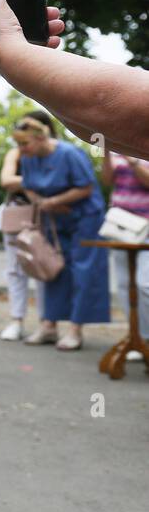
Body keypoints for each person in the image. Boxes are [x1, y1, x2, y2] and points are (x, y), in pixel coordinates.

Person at [0, 0, 149, 158]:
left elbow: (133, 123)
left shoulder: (66, 154)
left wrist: (11, 54)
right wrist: (33, 63)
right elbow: (110, 128)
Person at [13, 116, 109, 349]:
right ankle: (49, 325)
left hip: (85, 217)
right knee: (53, 267)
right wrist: (43, 203)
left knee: (83, 269)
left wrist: (53, 201)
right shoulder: (28, 158)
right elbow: (28, 187)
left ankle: (76, 329)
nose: (21, 150)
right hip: (54, 218)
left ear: (41, 138)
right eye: (19, 145)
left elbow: (86, 187)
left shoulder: (69, 154)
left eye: (25, 144)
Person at [0, 111, 51, 341]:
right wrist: (37, 182)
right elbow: (7, 181)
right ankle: (16, 320)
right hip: (18, 215)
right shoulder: (15, 153)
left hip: (47, 216)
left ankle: (47, 322)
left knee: (44, 269)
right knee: (15, 270)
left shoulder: (54, 153)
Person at [101, 150, 149, 358]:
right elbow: (106, 180)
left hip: (146, 225)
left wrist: (133, 161)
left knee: (144, 284)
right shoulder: (114, 147)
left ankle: (146, 337)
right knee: (123, 284)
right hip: (120, 224)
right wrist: (105, 153)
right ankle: (136, 336)